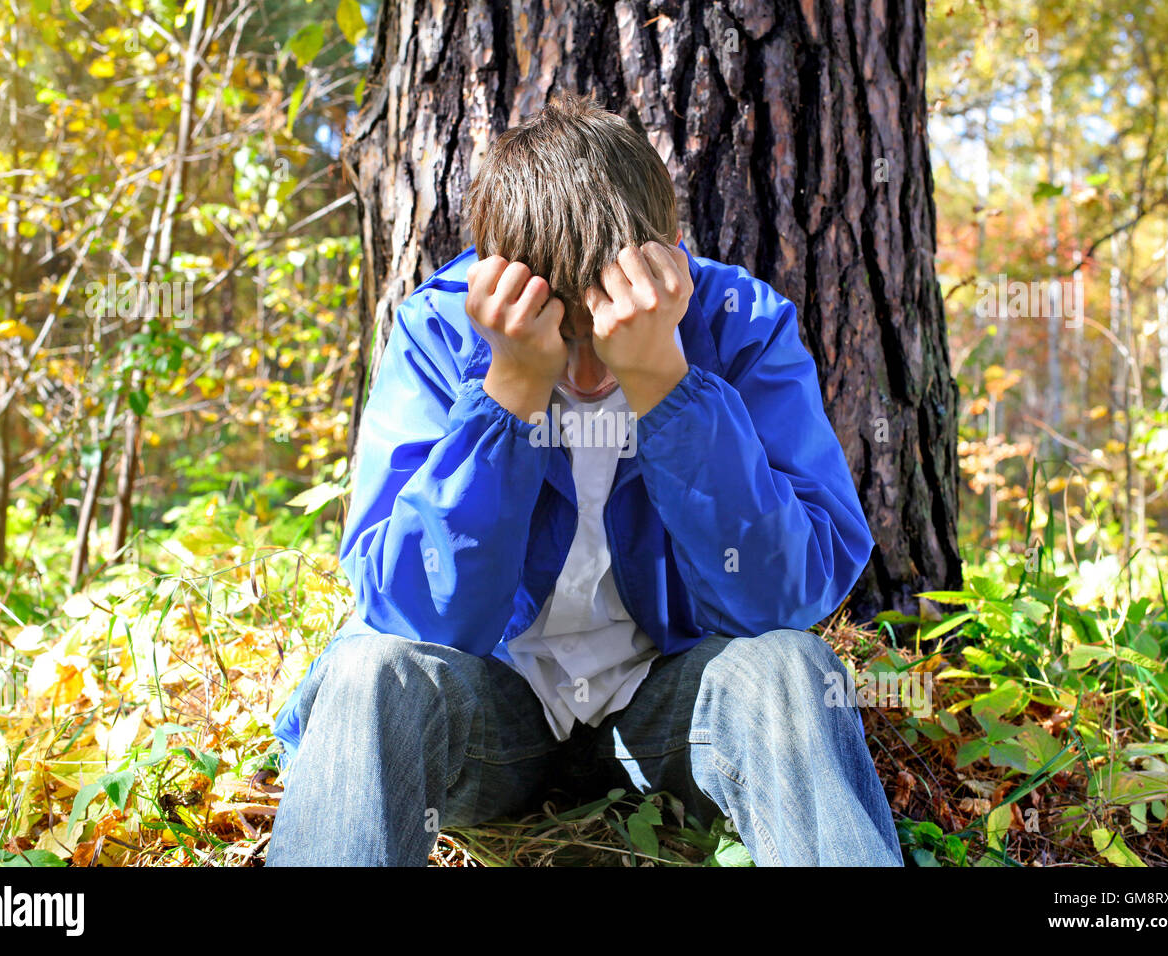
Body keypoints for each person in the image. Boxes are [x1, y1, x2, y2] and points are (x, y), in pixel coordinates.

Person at [266, 91, 903, 867]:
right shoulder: (440, 331)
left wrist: (666, 383)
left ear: (668, 258)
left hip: (674, 710)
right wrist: (509, 392)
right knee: (368, 670)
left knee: (790, 670)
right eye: (566, 336)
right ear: (504, 285)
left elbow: (782, 600)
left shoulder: (740, 324)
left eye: (609, 329)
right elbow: (413, 615)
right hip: (496, 715)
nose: (593, 374)